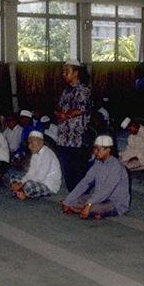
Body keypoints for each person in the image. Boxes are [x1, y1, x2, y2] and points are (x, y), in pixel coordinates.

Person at [62, 135, 130, 219]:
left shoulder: (116, 166)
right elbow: (85, 182)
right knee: (72, 201)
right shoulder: (97, 163)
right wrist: (67, 201)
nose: (95, 152)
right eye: (94, 149)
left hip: (114, 203)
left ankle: (89, 211)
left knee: (90, 208)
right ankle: (88, 211)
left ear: (108, 150)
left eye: (98, 149)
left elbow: (106, 191)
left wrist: (89, 204)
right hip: (98, 198)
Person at [56, 60, 92, 191]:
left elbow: (80, 109)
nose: (64, 74)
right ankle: (73, 196)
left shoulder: (83, 90)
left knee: (78, 169)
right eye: (63, 72)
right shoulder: (66, 91)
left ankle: (81, 196)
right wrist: (60, 114)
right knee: (67, 168)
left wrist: (64, 115)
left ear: (76, 73)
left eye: (67, 71)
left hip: (77, 138)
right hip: (64, 137)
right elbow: (58, 108)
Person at [10, 131, 61, 200]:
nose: (29, 146)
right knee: (14, 177)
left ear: (41, 142)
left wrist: (21, 184)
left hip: (48, 185)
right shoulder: (35, 153)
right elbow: (30, 173)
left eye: (32, 143)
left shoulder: (47, 154)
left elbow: (40, 177)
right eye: (29, 143)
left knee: (29, 185)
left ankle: (22, 193)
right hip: (36, 181)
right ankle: (22, 192)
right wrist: (21, 182)